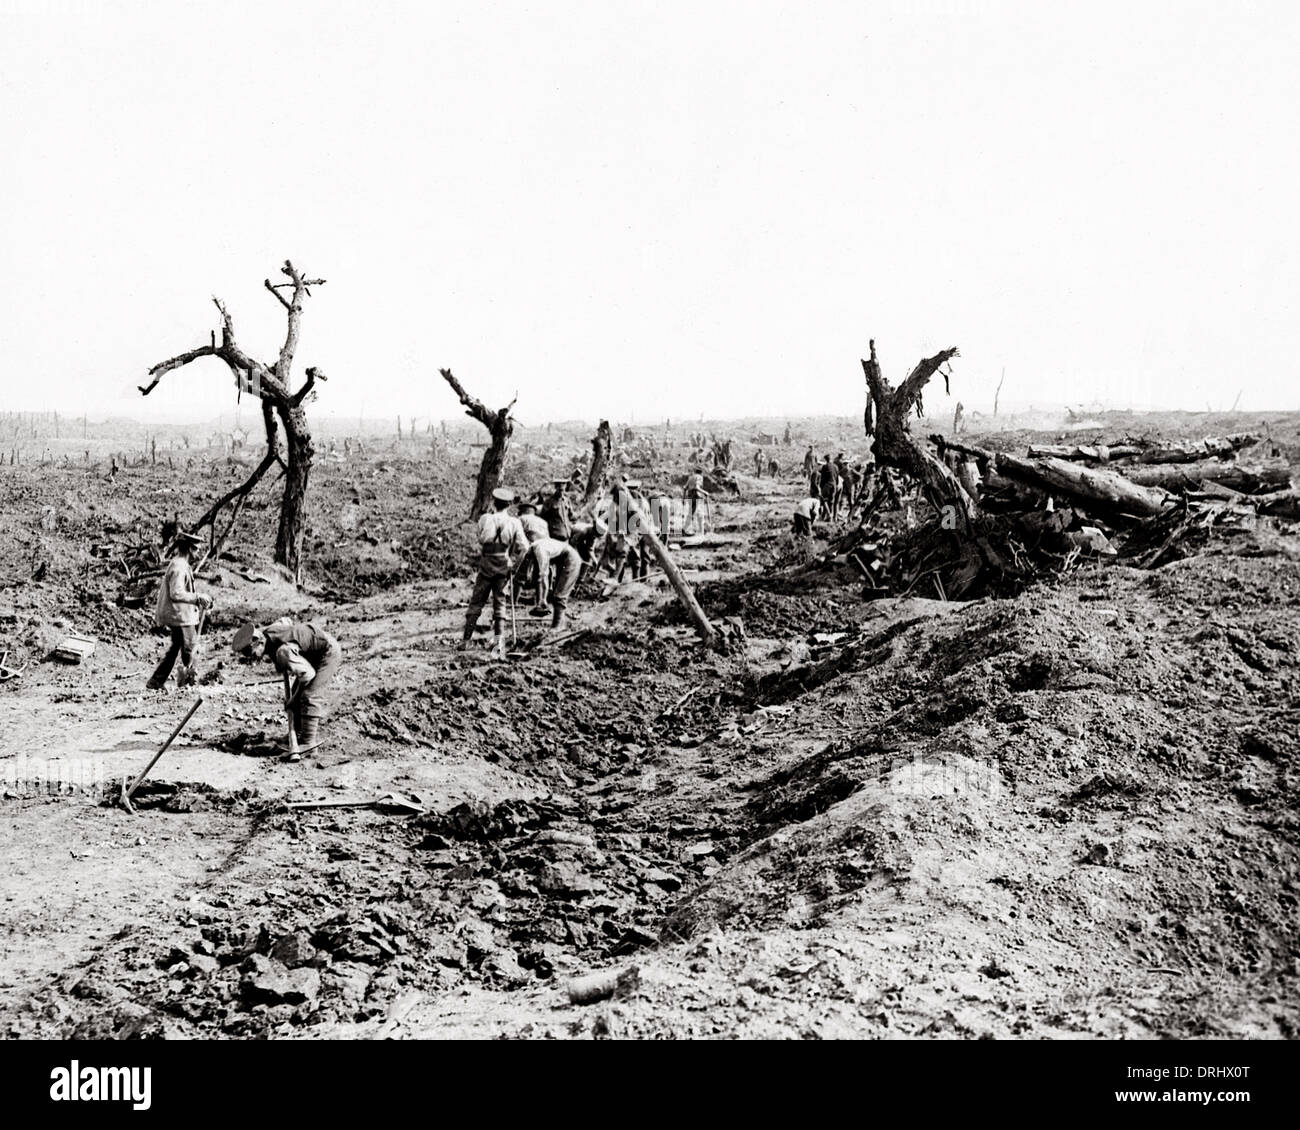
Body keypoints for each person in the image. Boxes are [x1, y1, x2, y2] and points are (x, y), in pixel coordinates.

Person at [231, 618, 342, 756]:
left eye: (252, 653)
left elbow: (308, 676)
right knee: (296, 692)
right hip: (312, 651)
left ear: (259, 641)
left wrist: (294, 699)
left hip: (327, 653)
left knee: (309, 695)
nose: (252, 658)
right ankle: (296, 735)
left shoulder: (283, 652)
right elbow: (285, 621)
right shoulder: (268, 632)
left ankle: (308, 744)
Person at [460, 487, 529, 659]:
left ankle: (465, 641)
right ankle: (498, 646)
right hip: (503, 565)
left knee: (476, 602)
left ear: (494, 502)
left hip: (486, 564)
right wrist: (513, 564)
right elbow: (524, 548)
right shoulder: (514, 522)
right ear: (509, 505)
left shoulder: (485, 519)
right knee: (500, 605)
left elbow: (480, 538)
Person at [146, 531, 212, 690]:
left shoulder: (181, 564)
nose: (198, 553)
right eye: (196, 549)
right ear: (190, 549)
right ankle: (188, 683)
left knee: (176, 648)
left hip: (181, 614)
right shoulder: (179, 566)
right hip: (179, 616)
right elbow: (176, 593)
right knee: (190, 648)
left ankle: (156, 681)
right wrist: (198, 598)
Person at [529, 536, 583, 630]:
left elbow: (543, 576)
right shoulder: (535, 546)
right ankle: (561, 623)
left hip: (571, 560)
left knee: (560, 595)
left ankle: (557, 627)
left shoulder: (540, 551)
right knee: (557, 594)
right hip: (563, 561)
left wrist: (543, 599)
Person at [684, 469, 709, 533]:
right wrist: (705, 492)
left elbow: (685, 488)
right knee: (695, 513)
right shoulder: (699, 477)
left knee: (694, 512)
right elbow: (697, 487)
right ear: (701, 473)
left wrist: (683, 499)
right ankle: (687, 529)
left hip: (690, 496)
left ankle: (696, 529)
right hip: (696, 496)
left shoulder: (691, 477)